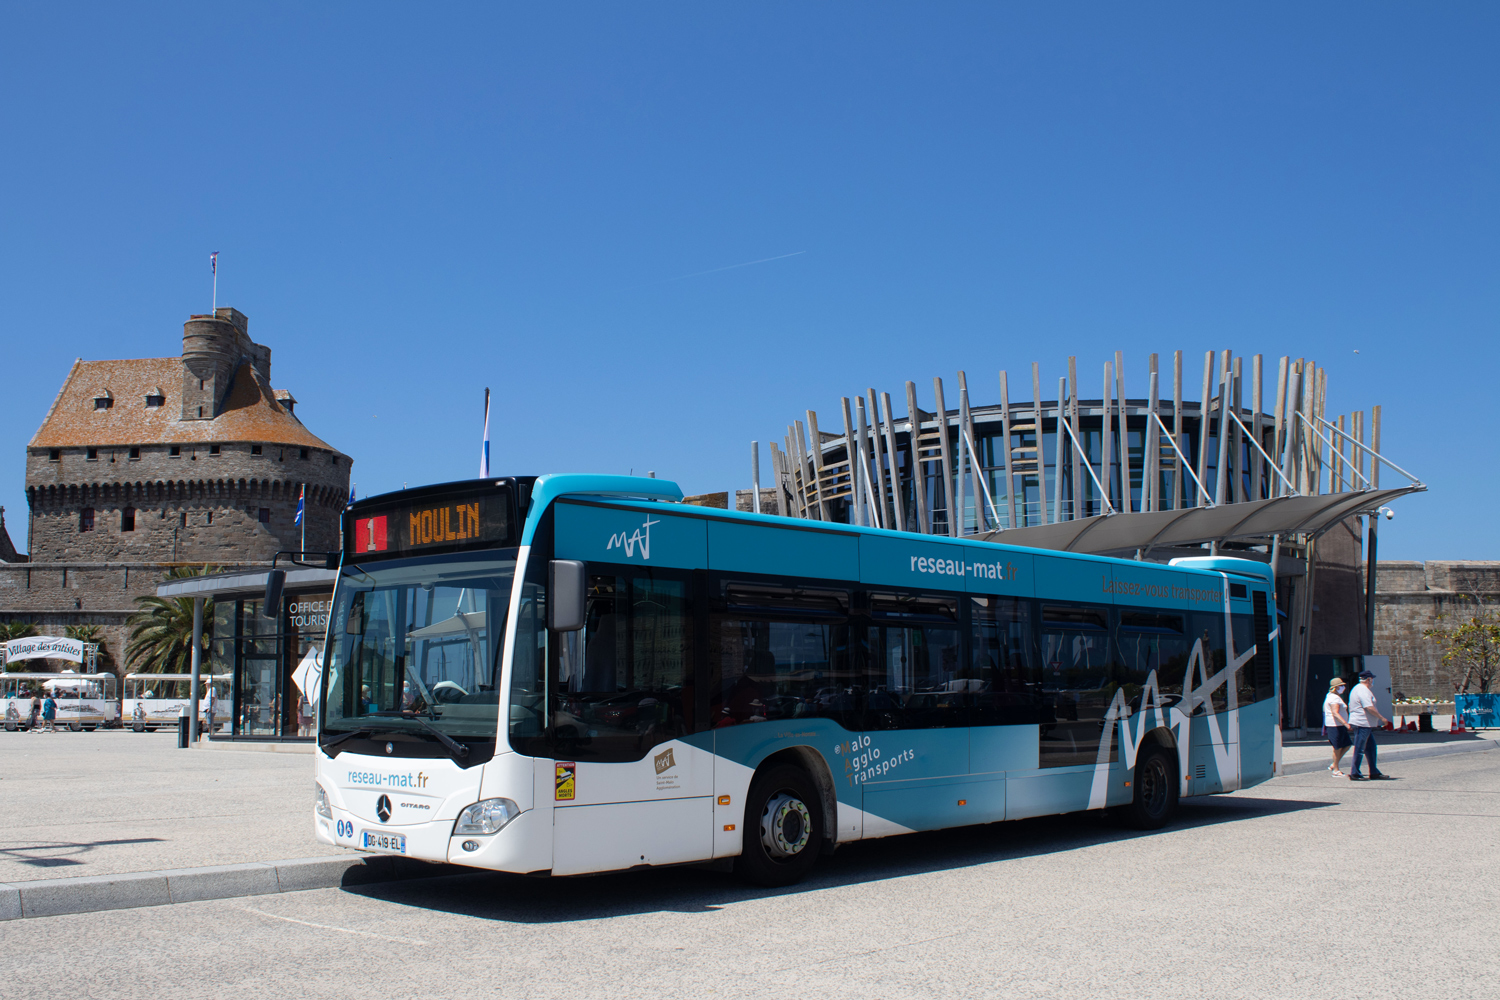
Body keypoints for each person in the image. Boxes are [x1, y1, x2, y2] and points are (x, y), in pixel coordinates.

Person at [1348, 669, 1392, 780]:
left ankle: (1374, 771)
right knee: (1360, 748)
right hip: (1362, 723)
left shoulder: (1359, 689)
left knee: (1371, 748)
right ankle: (1355, 772)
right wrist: (1381, 718)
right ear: (1368, 679)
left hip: (1365, 724)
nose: (1372, 681)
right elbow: (1368, 707)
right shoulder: (1363, 690)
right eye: (1371, 679)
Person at [1323, 677, 1353, 776]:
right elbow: (1335, 713)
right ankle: (1335, 769)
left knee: (1346, 744)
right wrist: (1346, 723)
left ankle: (1334, 764)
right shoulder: (1334, 698)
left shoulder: (1332, 696)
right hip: (1335, 726)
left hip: (1338, 725)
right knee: (1337, 747)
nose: (1343, 687)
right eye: (1341, 686)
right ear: (1335, 687)